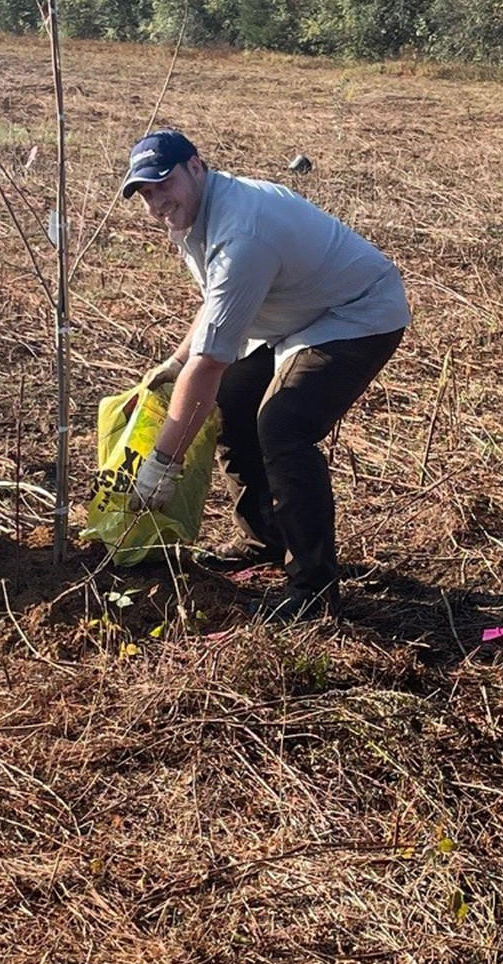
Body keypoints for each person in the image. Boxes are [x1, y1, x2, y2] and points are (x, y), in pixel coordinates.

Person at [122, 130, 409, 621]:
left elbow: (210, 360)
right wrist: (173, 363)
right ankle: (266, 541)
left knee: (282, 425)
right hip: (295, 314)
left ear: (196, 166)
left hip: (358, 313)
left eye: (162, 184)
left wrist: (161, 465)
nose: (155, 203)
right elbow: (217, 304)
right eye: (145, 193)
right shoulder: (195, 214)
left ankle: (314, 591)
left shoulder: (243, 232)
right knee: (231, 404)